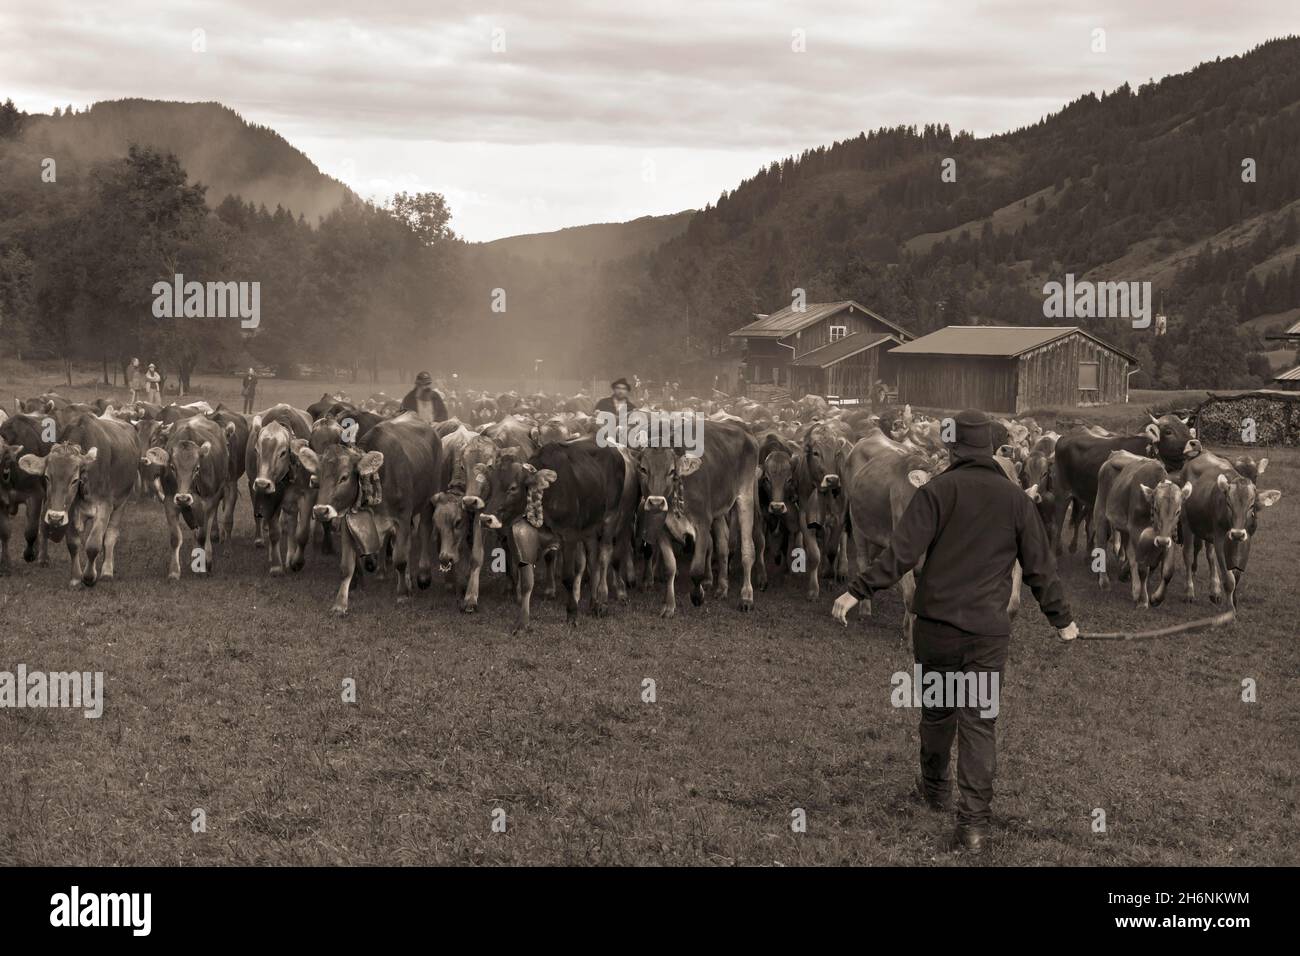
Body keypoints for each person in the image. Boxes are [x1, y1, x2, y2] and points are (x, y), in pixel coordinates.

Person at [831, 408, 1078, 855]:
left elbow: (900, 553)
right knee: (979, 724)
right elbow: (1041, 569)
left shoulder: (937, 491)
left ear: (952, 448)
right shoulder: (1016, 500)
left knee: (938, 712)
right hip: (987, 632)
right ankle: (973, 827)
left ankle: (934, 789)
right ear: (989, 448)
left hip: (938, 629)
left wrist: (857, 590)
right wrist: (1062, 620)